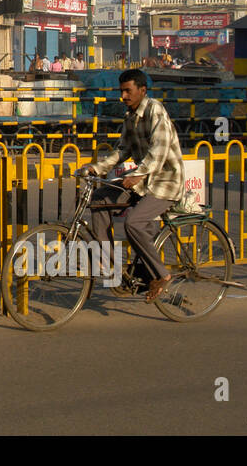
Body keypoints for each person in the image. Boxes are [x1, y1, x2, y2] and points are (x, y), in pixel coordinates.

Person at [77, 68, 184, 303]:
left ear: (142, 91)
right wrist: (98, 168)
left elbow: (160, 149)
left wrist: (139, 173)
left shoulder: (155, 110)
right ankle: (112, 267)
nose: (124, 96)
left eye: (128, 91)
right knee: (100, 200)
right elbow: (122, 150)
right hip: (143, 181)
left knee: (134, 222)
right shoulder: (130, 117)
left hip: (165, 182)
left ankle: (162, 275)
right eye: (122, 91)